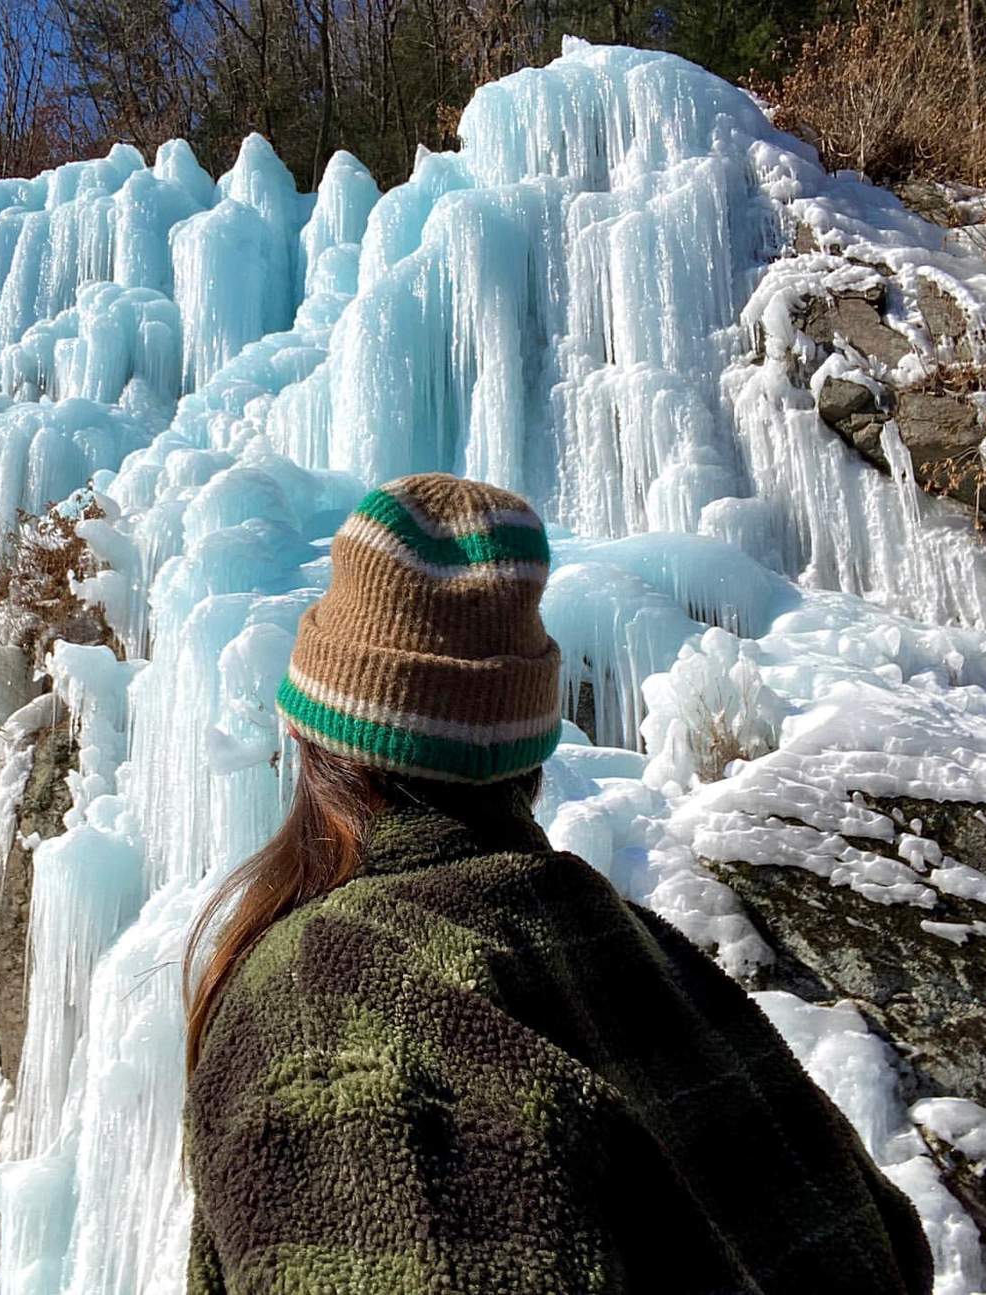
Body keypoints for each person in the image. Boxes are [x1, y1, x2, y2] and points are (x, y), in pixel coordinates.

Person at [180, 471, 933, 1295]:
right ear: (523, 750)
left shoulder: (320, 995)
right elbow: (886, 1238)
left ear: (311, 734)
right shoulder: (659, 964)